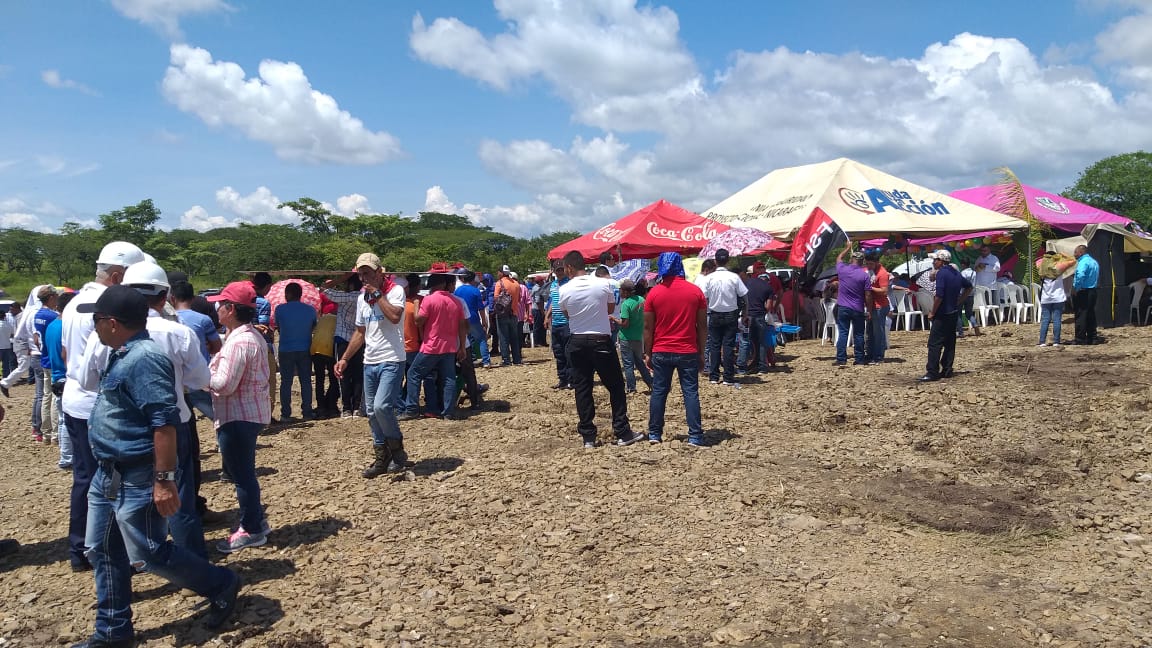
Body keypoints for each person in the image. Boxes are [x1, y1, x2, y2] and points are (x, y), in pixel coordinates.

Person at [72, 286, 240, 647]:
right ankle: (113, 632)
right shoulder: (121, 352)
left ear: (113, 323)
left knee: (149, 551)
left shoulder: (144, 358)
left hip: (137, 471)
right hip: (110, 471)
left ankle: (220, 583)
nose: (94, 326)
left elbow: (163, 423)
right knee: (102, 548)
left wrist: (163, 481)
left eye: (97, 320)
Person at [118, 261, 213, 557]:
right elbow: (201, 379)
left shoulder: (109, 331)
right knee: (178, 496)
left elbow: (87, 378)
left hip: (126, 427)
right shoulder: (177, 332)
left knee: (128, 498)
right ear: (165, 298)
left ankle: (140, 559)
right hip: (174, 422)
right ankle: (192, 566)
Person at [61, 241, 145, 573]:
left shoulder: (74, 304)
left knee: (85, 477)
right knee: (107, 482)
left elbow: (69, 357)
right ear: (115, 276)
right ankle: (105, 550)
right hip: (98, 403)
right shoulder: (105, 307)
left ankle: (80, 548)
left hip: (75, 399)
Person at [206, 282, 272, 552]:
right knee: (244, 473)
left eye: (221, 304)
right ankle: (256, 521)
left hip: (238, 416)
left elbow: (224, 385)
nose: (217, 308)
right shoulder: (247, 335)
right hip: (248, 413)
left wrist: (198, 377)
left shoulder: (239, 341)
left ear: (231, 309)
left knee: (242, 475)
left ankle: (252, 529)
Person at [334, 253, 411, 477]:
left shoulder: (394, 291)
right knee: (371, 412)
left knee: (382, 407)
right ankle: (381, 456)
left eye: (367, 272)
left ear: (380, 272)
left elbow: (395, 316)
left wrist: (377, 294)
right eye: (360, 273)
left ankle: (397, 451)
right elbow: (361, 331)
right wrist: (345, 358)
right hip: (370, 359)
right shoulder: (361, 299)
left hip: (392, 359)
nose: (363, 277)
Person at [558, 250, 643, 448]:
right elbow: (609, 309)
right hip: (600, 339)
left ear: (569, 267)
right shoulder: (603, 283)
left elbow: (567, 314)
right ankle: (622, 431)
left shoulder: (564, 289)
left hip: (577, 340)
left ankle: (588, 436)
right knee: (615, 386)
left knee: (583, 388)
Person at [643, 253, 707, 446]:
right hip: (687, 349)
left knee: (659, 391)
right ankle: (695, 435)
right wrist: (702, 352)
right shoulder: (695, 292)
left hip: (661, 349)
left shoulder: (654, 293)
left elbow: (647, 328)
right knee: (690, 392)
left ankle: (654, 433)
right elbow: (703, 325)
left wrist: (648, 352)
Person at [399, 270, 468, 420]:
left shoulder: (429, 300)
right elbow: (462, 325)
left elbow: (418, 321)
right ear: (444, 284)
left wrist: (417, 304)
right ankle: (448, 412)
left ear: (430, 285)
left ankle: (411, 409)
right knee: (449, 378)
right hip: (449, 346)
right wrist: (462, 346)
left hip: (431, 346)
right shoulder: (455, 301)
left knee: (413, 374)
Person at [919, 250, 973, 382]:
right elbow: (969, 287)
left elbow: (939, 295)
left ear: (941, 261)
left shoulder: (941, 273)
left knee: (934, 343)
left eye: (935, 260)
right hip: (953, 312)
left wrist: (932, 312)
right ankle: (947, 369)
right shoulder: (955, 272)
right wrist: (959, 300)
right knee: (949, 342)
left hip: (942, 313)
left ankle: (932, 372)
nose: (933, 262)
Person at [273, 281, 317, 421]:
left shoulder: (280, 309)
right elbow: (312, 327)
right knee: (306, 381)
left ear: (288, 294)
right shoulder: (310, 310)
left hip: (286, 349)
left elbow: (279, 327)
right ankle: (307, 412)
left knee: (286, 382)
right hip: (305, 348)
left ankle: (285, 414)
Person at [321, 274, 364, 418]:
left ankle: (346, 408)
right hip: (360, 339)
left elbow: (324, 289)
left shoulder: (345, 297)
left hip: (343, 338)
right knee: (358, 374)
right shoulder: (364, 297)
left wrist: (340, 279)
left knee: (343, 374)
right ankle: (357, 406)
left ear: (350, 284)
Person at [703, 249, 748, 386]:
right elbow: (744, 296)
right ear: (728, 260)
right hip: (731, 314)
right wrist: (745, 312)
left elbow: (704, 298)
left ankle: (714, 376)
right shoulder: (734, 277)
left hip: (714, 313)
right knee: (728, 346)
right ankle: (728, 377)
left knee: (714, 345)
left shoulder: (709, 278)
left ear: (715, 261)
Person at [45, 290, 75, 469]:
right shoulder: (66, 325)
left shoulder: (51, 325)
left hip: (56, 374)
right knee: (67, 420)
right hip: (66, 375)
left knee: (63, 419)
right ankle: (67, 457)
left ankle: (65, 456)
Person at [834, 243, 870, 366]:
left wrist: (847, 248)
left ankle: (841, 359)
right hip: (858, 308)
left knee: (843, 333)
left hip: (843, 306)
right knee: (859, 334)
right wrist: (869, 309)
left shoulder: (842, 270)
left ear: (851, 259)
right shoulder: (864, 275)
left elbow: (838, 258)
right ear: (862, 262)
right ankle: (859, 359)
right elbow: (868, 295)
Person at [32, 285, 60, 443]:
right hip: (53, 360)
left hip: (43, 358)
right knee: (56, 397)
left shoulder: (38, 315)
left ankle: (46, 433)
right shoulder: (53, 316)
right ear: (50, 298)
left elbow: (36, 339)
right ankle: (56, 434)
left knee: (46, 396)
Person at [613, 279, 652, 393]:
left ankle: (631, 387)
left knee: (628, 364)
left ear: (625, 292)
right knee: (639, 362)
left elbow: (625, 324)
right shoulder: (642, 300)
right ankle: (650, 382)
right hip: (638, 337)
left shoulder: (626, 304)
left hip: (626, 337)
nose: (619, 292)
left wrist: (614, 319)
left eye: (620, 290)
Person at [250, 272, 278, 418]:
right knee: (268, 382)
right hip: (263, 346)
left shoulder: (244, 299)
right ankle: (267, 414)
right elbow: (264, 325)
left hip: (246, 344)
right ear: (268, 286)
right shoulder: (263, 303)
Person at [310, 294, 340, 418]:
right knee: (334, 379)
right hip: (329, 349)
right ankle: (331, 405)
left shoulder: (323, 318)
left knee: (319, 379)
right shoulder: (339, 320)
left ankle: (321, 407)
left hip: (315, 349)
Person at [1038, 252, 1076, 346]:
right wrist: (1062, 255)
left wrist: (1046, 258)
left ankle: (1042, 341)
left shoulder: (1041, 266)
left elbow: (1038, 260)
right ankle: (1056, 341)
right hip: (1058, 297)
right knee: (1057, 319)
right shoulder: (1059, 267)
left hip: (1045, 298)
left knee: (1045, 319)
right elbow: (1073, 260)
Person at [454, 270, 490, 369]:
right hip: (473, 317)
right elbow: (481, 308)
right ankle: (486, 360)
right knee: (481, 338)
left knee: (468, 339)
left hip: (462, 318)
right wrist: (484, 321)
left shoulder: (458, 290)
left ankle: (471, 359)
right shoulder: (475, 290)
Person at [545, 261, 572, 389]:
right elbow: (552, 302)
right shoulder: (554, 284)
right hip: (555, 322)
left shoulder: (570, 283)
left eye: (561, 269)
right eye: (557, 270)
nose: (559, 272)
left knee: (569, 353)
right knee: (558, 352)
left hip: (567, 322)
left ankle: (571, 380)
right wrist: (547, 316)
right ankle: (562, 379)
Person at [742, 268, 775, 374]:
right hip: (760, 316)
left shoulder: (747, 283)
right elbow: (769, 306)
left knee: (748, 342)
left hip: (747, 316)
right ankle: (762, 367)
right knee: (761, 342)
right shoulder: (768, 287)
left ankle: (746, 365)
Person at [493, 267, 523, 366]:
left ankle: (506, 360)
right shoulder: (516, 284)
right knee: (514, 338)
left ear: (501, 273)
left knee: (503, 337)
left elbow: (496, 298)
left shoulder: (499, 283)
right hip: (514, 313)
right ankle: (517, 359)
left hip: (502, 314)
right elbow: (518, 299)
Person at [864, 253, 891, 364]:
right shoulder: (870, 271)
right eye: (867, 264)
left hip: (880, 306)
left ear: (876, 262)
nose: (868, 266)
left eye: (871, 264)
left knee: (878, 332)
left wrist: (870, 288)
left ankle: (878, 356)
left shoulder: (882, 274)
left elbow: (884, 291)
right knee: (870, 332)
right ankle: (870, 354)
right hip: (872, 306)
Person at [1072, 244, 1101, 345]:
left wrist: (1076, 287)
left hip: (1083, 291)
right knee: (1090, 314)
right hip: (1093, 291)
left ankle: (1080, 338)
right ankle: (1092, 337)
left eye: (1075, 252)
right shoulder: (1094, 262)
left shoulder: (1083, 262)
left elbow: (1080, 274)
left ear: (1081, 252)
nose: (1074, 254)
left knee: (1081, 314)